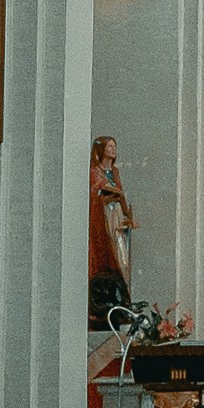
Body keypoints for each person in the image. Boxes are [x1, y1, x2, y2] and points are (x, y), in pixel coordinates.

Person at [90, 131, 137, 322]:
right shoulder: (95, 171)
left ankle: (124, 298)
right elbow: (96, 195)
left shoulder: (115, 172)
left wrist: (128, 216)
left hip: (117, 217)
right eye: (109, 146)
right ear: (101, 150)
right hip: (104, 217)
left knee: (122, 257)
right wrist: (109, 194)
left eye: (114, 146)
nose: (113, 149)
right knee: (109, 253)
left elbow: (121, 194)